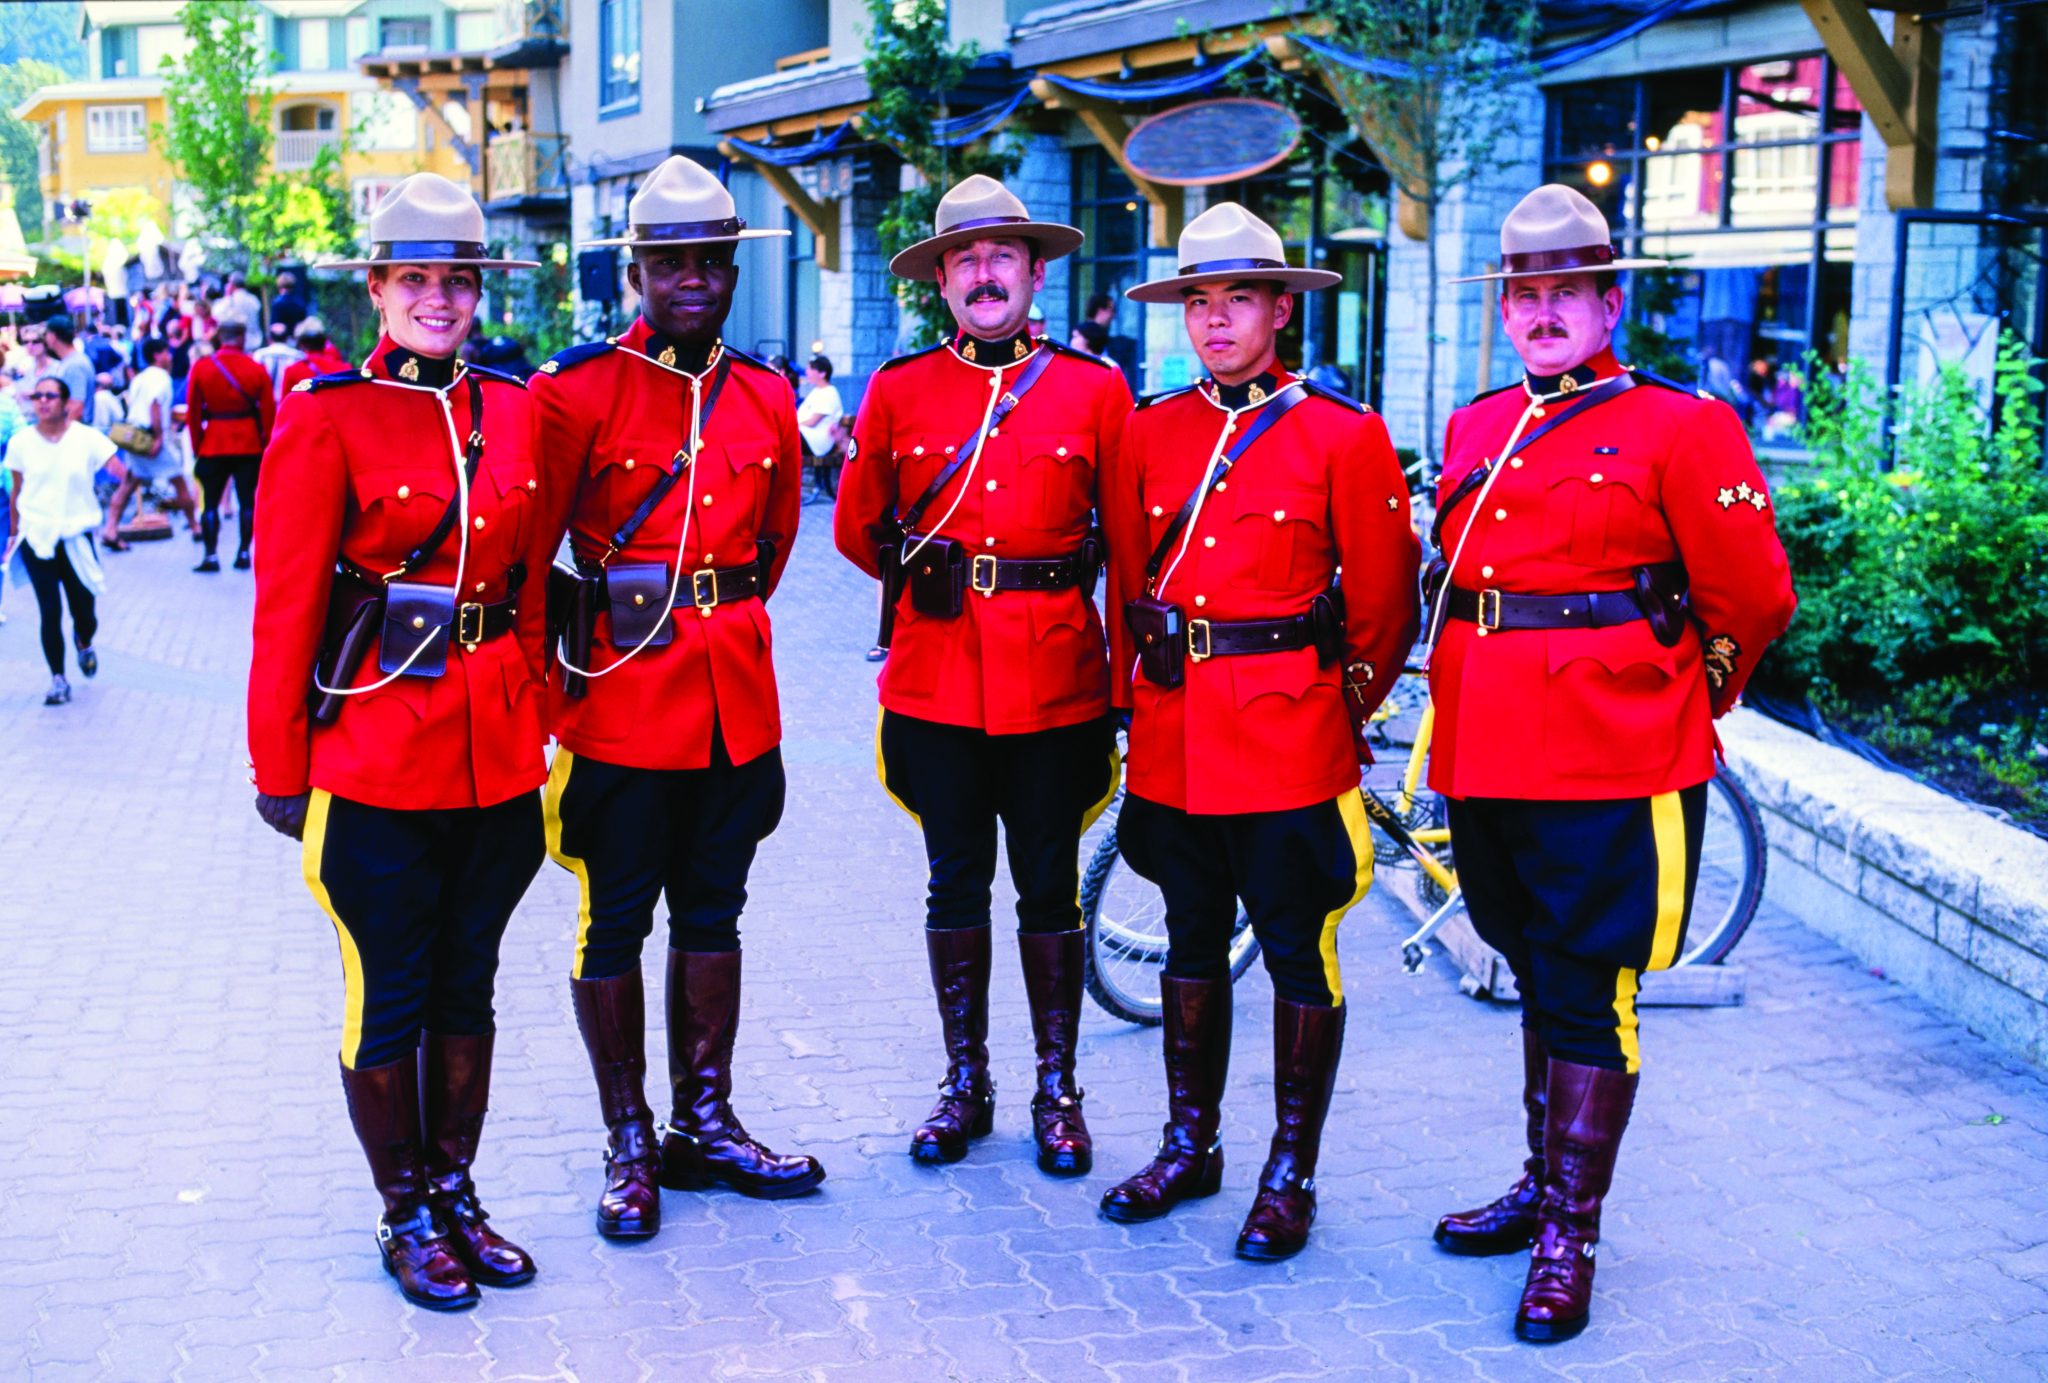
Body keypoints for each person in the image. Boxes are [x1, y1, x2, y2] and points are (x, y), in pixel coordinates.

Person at [1424, 185, 1796, 1342]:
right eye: (1521, 295)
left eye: (1562, 293)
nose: (1539, 313)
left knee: (1591, 990)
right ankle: (1541, 1187)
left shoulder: (1681, 427)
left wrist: (1681, 698)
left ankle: (1571, 1235)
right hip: (1487, 753)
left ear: (1605, 301)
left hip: (1612, 756)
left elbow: (1751, 595)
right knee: (1532, 970)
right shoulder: (1476, 427)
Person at [246, 173, 550, 1313]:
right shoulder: (325, 415)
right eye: (414, 279)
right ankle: (404, 1210)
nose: (437, 300)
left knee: (468, 986)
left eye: (455, 281)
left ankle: (458, 1190)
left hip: (494, 753)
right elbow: (283, 605)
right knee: (392, 991)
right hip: (372, 753)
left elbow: (523, 591)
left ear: (478, 292)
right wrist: (281, 770)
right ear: (376, 289)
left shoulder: (517, 409)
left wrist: (538, 715)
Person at [1095, 203, 1420, 1261]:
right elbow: (1129, 590)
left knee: (1294, 950)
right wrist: (1132, 707)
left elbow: (1379, 607)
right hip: (1177, 733)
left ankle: (1290, 1170)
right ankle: (1190, 1144)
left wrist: (1335, 707)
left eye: (1238, 298)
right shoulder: (1149, 429)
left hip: (1288, 737)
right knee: (1189, 943)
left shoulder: (1341, 433)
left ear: (1281, 307)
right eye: (1198, 301)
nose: (1216, 321)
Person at [532, 155, 817, 1240]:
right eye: (669, 261)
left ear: (732, 270)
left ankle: (706, 1121)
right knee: (613, 922)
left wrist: (711, 620)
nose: (691, 276)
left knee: (714, 912)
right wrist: (555, 698)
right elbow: (532, 557)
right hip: (616, 701)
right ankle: (627, 1139)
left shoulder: (765, 394)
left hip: (732, 699)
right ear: (637, 273)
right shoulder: (575, 391)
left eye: (710, 259)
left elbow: (772, 547)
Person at [834, 174, 1133, 1177]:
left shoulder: (1094, 391)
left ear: (1035, 271)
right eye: (964, 259)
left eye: (1001, 255)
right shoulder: (898, 390)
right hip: (935, 681)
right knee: (952, 884)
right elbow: (854, 527)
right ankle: (966, 1083)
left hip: (1055, 679)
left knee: (1049, 890)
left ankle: (1057, 1088)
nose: (983, 274)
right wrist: (918, 568)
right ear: (941, 283)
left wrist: (1127, 690)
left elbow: (1129, 553)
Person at [5, 378, 112, 705]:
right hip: (37, 537)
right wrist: (13, 532)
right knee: (49, 610)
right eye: (37, 396)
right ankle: (58, 679)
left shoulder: (86, 438)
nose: (42, 401)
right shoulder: (22, 442)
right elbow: (17, 490)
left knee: (85, 611)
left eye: (50, 395)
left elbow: (117, 469)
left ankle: (84, 641)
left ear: (66, 402)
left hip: (77, 536)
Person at [186, 318, 275, 572]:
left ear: (220, 338)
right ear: (242, 338)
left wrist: (197, 446)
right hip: (248, 444)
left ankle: (211, 555)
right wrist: (266, 445)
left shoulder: (202, 368)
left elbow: (193, 413)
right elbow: (268, 414)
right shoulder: (255, 369)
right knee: (248, 502)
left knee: (210, 502)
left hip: (213, 443)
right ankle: (244, 553)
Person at [100, 338, 199, 546]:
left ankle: (110, 529)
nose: (170, 357)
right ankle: (195, 527)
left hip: (135, 436)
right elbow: (154, 405)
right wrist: (159, 437)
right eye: (166, 352)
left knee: (128, 484)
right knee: (179, 482)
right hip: (151, 438)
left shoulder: (140, 378)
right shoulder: (161, 377)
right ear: (158, 355)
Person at [796, 353, 843, 499]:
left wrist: (791, 425)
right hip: (806, 434)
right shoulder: (817, 391)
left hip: (817, 440)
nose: (807, 372)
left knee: (784, 436)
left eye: (811, 369)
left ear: (822, 373)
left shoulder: (829, 393)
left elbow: (813, 421)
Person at [45, 318, 96, 425]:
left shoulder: (74, 365)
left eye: (46, 334)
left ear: (53, 336)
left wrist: (60, 436)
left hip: (76, 433)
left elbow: (76, 408)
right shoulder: (70, 361)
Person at [280, 318, 351, 394]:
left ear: (301, 343)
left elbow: (285, 404)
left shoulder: (292, 371)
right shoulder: (344, 368)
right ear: (324, 341)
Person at [254, 321, 306, 400]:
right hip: (289, 398)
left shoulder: (260, 354)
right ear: (287, 339)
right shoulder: (298, 355)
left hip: (264, 398)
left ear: (269, 338)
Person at [271, 269, 309, 335]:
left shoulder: (277, 303)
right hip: (297, 338)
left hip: (282, 340)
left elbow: (274, 326)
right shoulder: (299, 302)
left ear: (279, 285)